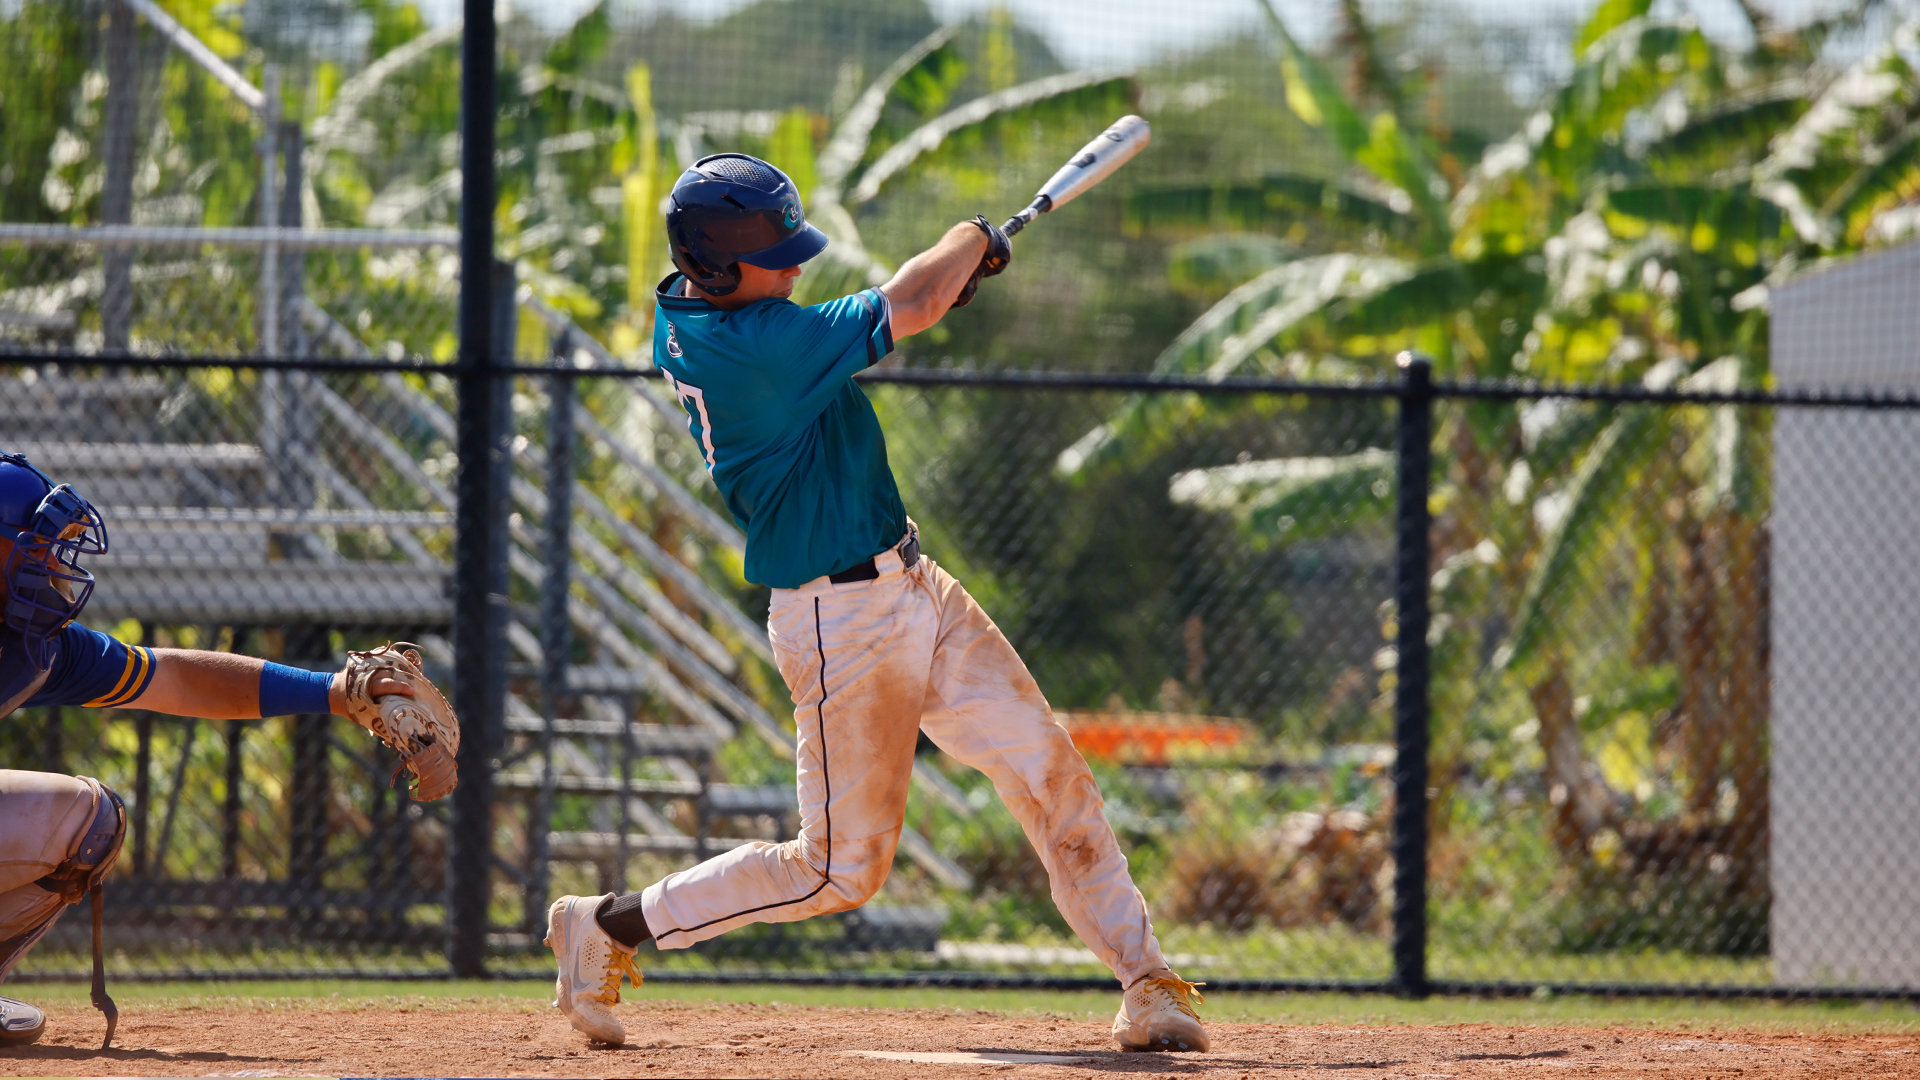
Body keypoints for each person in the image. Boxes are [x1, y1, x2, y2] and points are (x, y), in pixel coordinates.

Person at [542, 154, 1209, 1053]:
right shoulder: (758, 350)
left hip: (915, 583)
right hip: (840, 622)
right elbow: (915, 300)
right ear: (717, 265)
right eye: (775, 258)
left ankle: (1147, 981)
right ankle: (609, 924)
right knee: (836, 871)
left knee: (1050, 770)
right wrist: (975, 236)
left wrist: (950, 275)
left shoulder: (696, 310)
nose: (795, 270)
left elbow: (896, 309)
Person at [0, 452, 424, 1047]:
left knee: (89, 820)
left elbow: (175, 677)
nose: (53, 567)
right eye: (38, 549)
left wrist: (336, 692)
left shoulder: (34, 649)